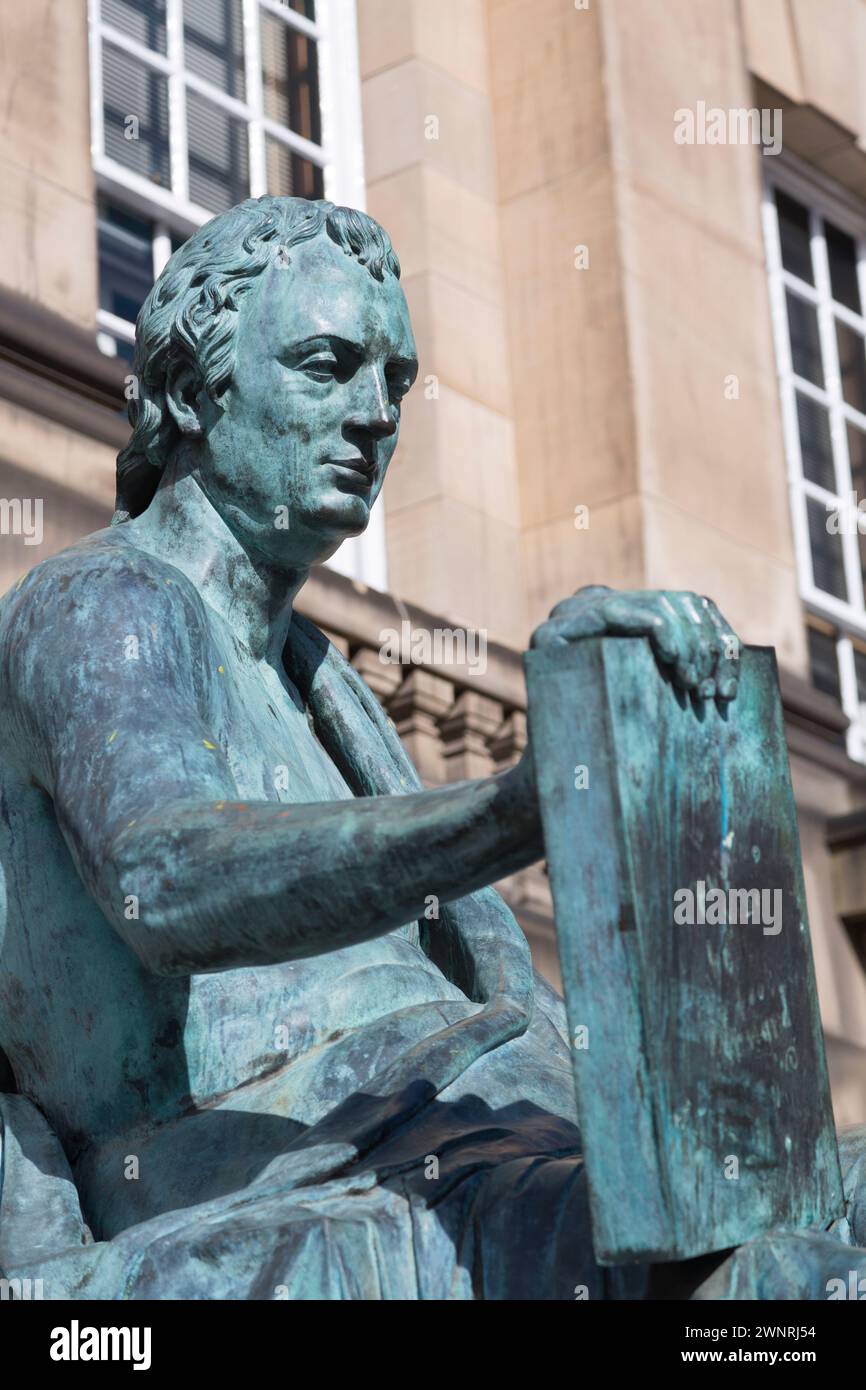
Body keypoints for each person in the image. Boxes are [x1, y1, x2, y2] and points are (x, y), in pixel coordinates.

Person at [0, 197, 743, 1299]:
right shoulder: (103, 601)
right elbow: (166, 877)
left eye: (391, 383)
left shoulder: (327, 688)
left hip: (490, 1124)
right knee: (759, 1277)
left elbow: (523, 1005)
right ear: (195, 387)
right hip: (305, 1169)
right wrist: (516, 809)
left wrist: (625, 740)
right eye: (325, 365)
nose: (372, 416)